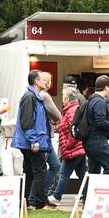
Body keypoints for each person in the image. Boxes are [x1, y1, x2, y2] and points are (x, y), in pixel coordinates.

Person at [13, 71, 52, 209]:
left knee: (29, 171)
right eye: (43, 79)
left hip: (31, 141)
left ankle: (26, 202)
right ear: (36, 81)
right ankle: (39, 203)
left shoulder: (33, 96)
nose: (46, 82)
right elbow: (27, 121)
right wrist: (33, 140)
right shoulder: (30, 97)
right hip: (33, 142)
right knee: (40, 171)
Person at [49, 83, 87, 206]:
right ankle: (88, 195)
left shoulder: (71, 111)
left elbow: (74, 130)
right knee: (82, 174)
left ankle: (56, 196)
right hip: (79, 148)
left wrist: (68, 146)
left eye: (63, 97)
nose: (62, 99)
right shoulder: (73, 109)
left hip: (73, 148)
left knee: (64, 173)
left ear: (67, 99)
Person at [37, 71, 64, 200]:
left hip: (42, 136)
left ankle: (41, 193)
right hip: (45, 136)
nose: (50, 83)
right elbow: (57, 115)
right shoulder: (45, 96)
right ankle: (42, 193)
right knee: (53, 165)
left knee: (51, 165)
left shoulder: (36, 95)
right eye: (49, 81)